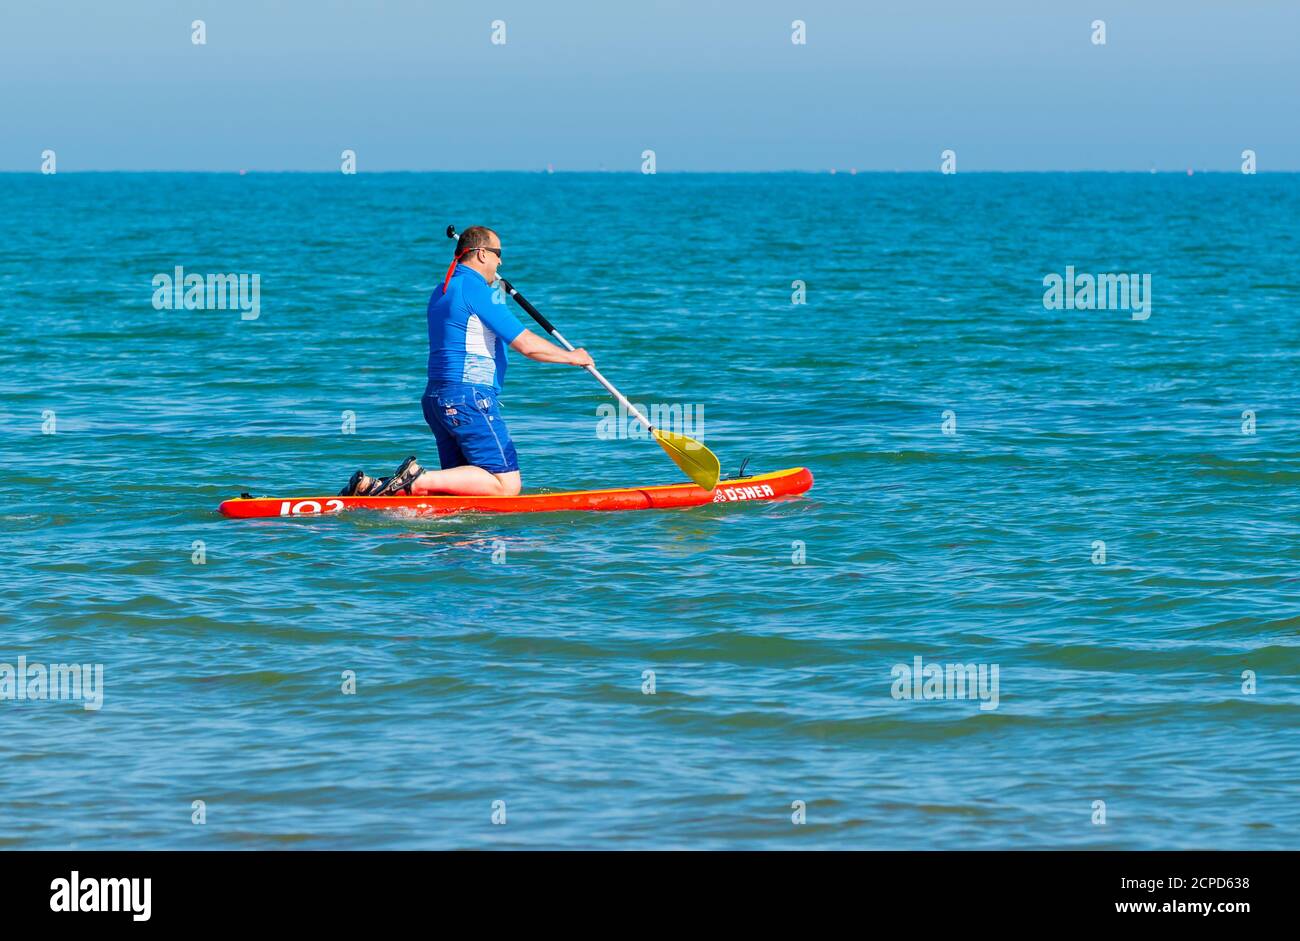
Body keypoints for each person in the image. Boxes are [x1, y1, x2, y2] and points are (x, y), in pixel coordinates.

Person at [340, 226, 592, 497]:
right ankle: (416, 479)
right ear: (482, 254)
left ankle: (375, 486)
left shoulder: (443, 289)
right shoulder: (474, 290)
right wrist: (573, 357)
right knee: (505, 485)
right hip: (468, 398)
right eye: (498, 254)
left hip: (437, 399)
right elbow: (527, 346)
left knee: (464, 495)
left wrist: (495, 293)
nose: (501, 262)